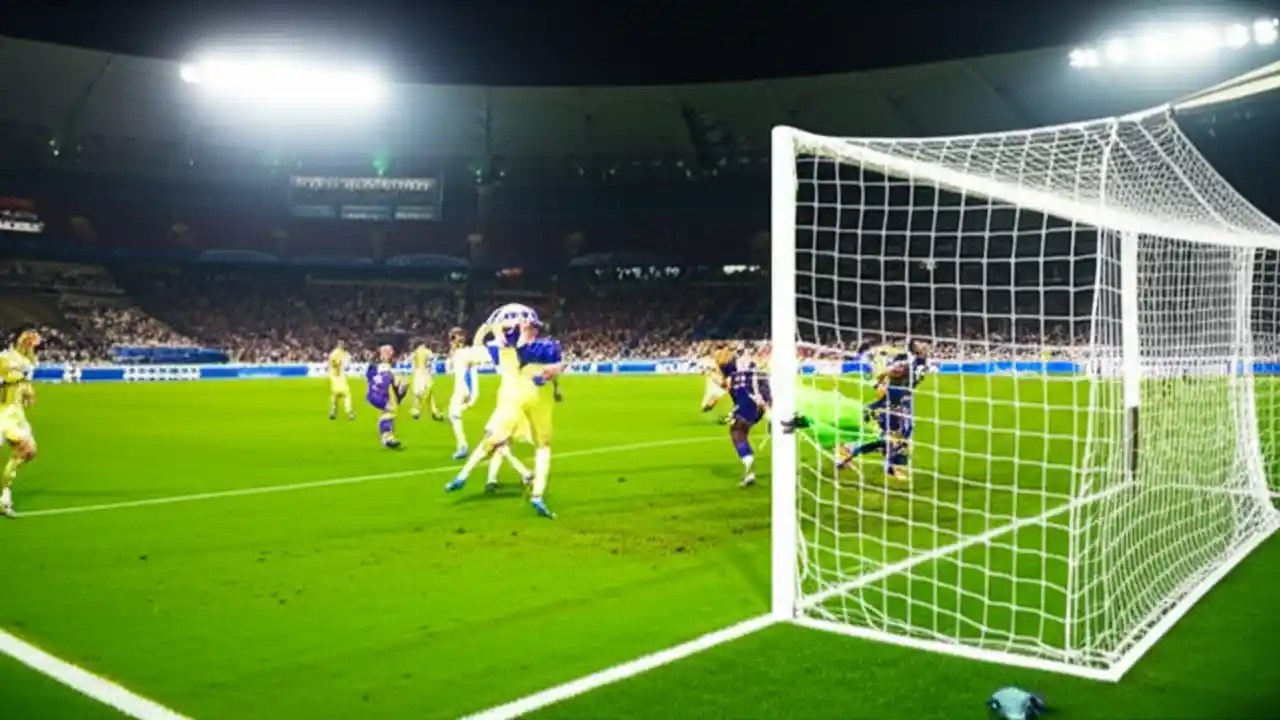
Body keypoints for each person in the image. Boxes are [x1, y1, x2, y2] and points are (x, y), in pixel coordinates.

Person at [0, 330, 41, 518]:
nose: (29, 346)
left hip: (16, 415)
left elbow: (21, 381)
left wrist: (27, 390)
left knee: (29, 451)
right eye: (27, 341)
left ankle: (4, 496)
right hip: (3, 414)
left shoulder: (26, 362)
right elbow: (9, 376)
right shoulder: (5, 358)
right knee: (25, 448)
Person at [365, 345, 407, 448]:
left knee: (390, 412)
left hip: (374, 393)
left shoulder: (374, 365)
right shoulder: (384, 366)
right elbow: (386, 378)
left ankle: (389, 436)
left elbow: (370, 375)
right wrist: (399, 387)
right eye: (389, 352)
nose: (392, 353)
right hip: (379, 394)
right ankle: (386, 437)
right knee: (390, 412)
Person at [409, 342, 443, 421]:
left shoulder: (415, 352)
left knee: (421, 393)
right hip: (425, 373)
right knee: (427, 392)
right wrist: (430, 369)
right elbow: (432, 359)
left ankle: (418, 410)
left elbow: (410, 361)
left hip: (417, 374)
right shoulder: (427, 351)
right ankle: (431, 411)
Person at [327, 340, 356, 420]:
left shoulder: (333, 353)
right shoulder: (344, 354)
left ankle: (333, 411)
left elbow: (330, 363)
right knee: (347, 394)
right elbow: (347, 364)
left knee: (335, 395)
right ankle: (349, 412)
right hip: (340, 377)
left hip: (333, 377)